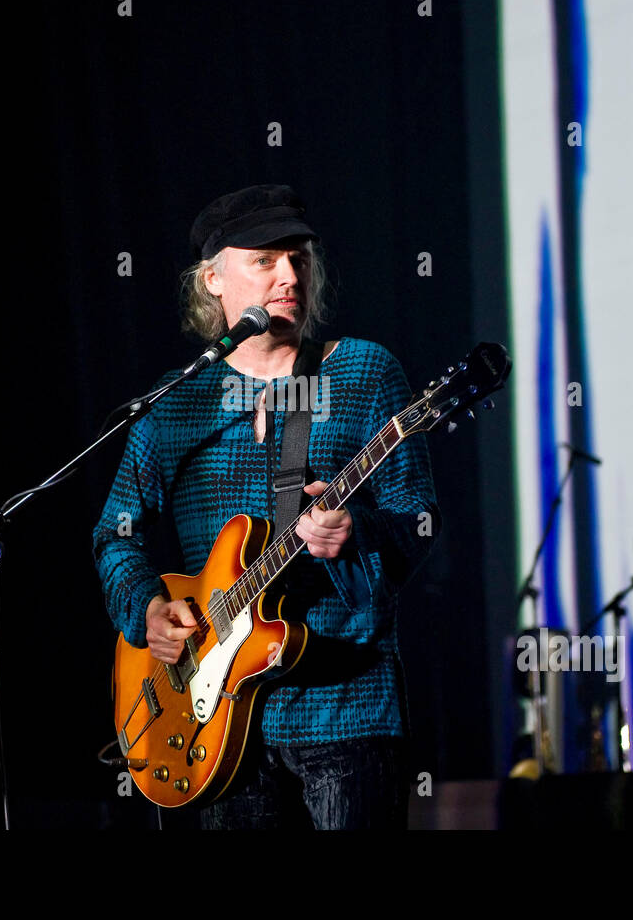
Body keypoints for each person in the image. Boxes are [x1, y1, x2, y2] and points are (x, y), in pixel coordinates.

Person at [93, 184, 440, 828]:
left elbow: (418, 516)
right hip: (215, 728)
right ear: (213, 279)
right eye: (265, 260)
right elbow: (116, 534)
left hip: (347, 706)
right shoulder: (174, 404)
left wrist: (353, 534)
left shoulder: (363, 373)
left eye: (299, 260)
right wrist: (146, 606)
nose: (289, 276)